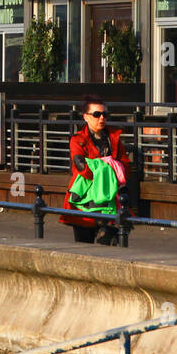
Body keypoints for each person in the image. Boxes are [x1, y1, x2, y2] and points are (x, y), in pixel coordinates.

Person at [60, 95, 130, 245]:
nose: (102, 118)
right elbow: (82, 167)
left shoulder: (114, 138)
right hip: (84, 201)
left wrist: (102, 167)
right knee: (83, 247)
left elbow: (124, 164)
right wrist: (108, 168)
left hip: (110, 200)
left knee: (109, 242)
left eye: (105, 114)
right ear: (85, 117)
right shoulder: (78, 139)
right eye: (97, 114)